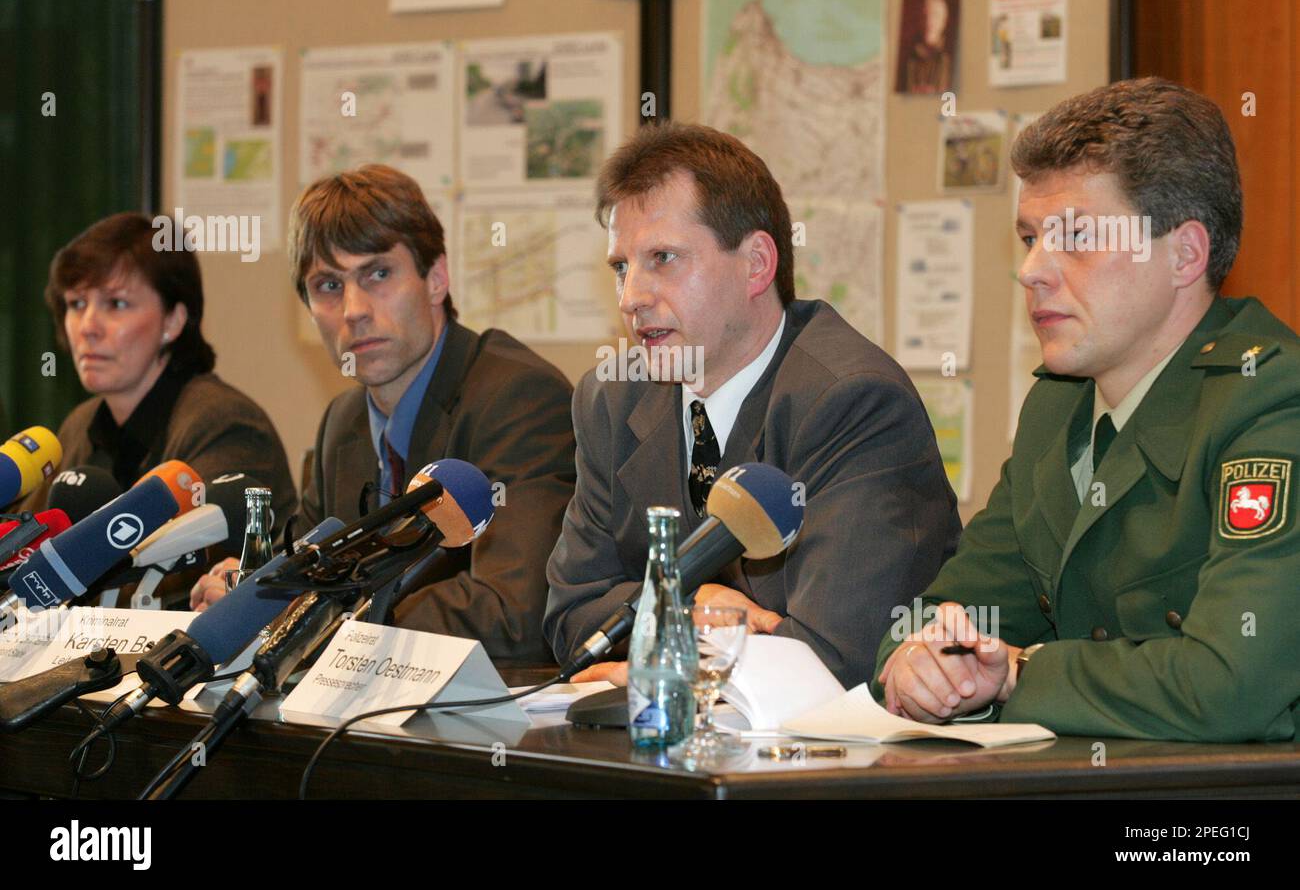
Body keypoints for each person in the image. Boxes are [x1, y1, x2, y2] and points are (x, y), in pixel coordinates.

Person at [873, 78, 1300, 742]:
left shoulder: (1268, 399)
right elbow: (956, 607)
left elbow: (1230, 686)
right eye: (1029, 238)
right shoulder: (1059, 404)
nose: (1033, 270)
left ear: (1185, 253)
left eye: (1075, 237)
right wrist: (919, 660)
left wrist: (1018, 675)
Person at [546, 122, 961, 688]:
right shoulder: (612, 400)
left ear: (756, 265)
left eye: (663, 258)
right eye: (622, 267)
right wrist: (693, 604)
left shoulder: (852, 401)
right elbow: (573, 617)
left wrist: (659, 660)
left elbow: (834, 660)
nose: (631, 298)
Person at [190, 164, 576, 665]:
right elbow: (305, 570)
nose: (353, 309)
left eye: (377, 274)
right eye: (328, 285)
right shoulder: (342, 423)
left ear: (436, 278)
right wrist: (247, 595)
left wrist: (327, 616)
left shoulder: (517, 399)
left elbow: (513, 614)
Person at [22, 212, 297, 602]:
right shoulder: (79, 426)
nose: (87, 326)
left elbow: (178, 578)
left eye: (115, 303)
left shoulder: (226, 424)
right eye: (76, 303)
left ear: (173, 319)